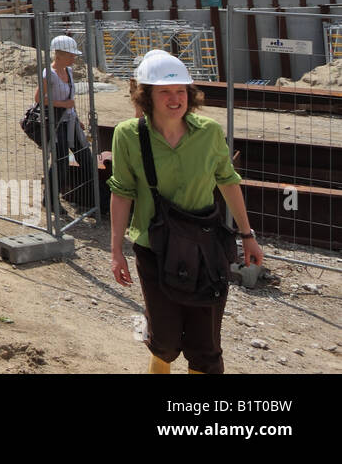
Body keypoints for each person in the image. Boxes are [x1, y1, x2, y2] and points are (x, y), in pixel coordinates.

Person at [108, 51, 264, 374]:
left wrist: (248, 236)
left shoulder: (208, 133)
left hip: (205, 250)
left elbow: (228, 182)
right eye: (164, 91)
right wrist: (115, 251)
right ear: (146, 96)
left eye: (181, 91)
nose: (174, 98)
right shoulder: (127, 135)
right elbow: (121, 193)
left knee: (205, 349)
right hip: (154, 250)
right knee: (164, 341)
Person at [35, 35, 95, 211]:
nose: (73, 58)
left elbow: (70, 98)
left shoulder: (68, 71)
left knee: (85, 158)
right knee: (60, 162)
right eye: (70, 55)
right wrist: (64, 105)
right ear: (59, 54)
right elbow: (39, 99)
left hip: (71, 122)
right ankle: (51, 199)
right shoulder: (49, 74)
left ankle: (88, 199)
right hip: (56, 124)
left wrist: (76, 117)